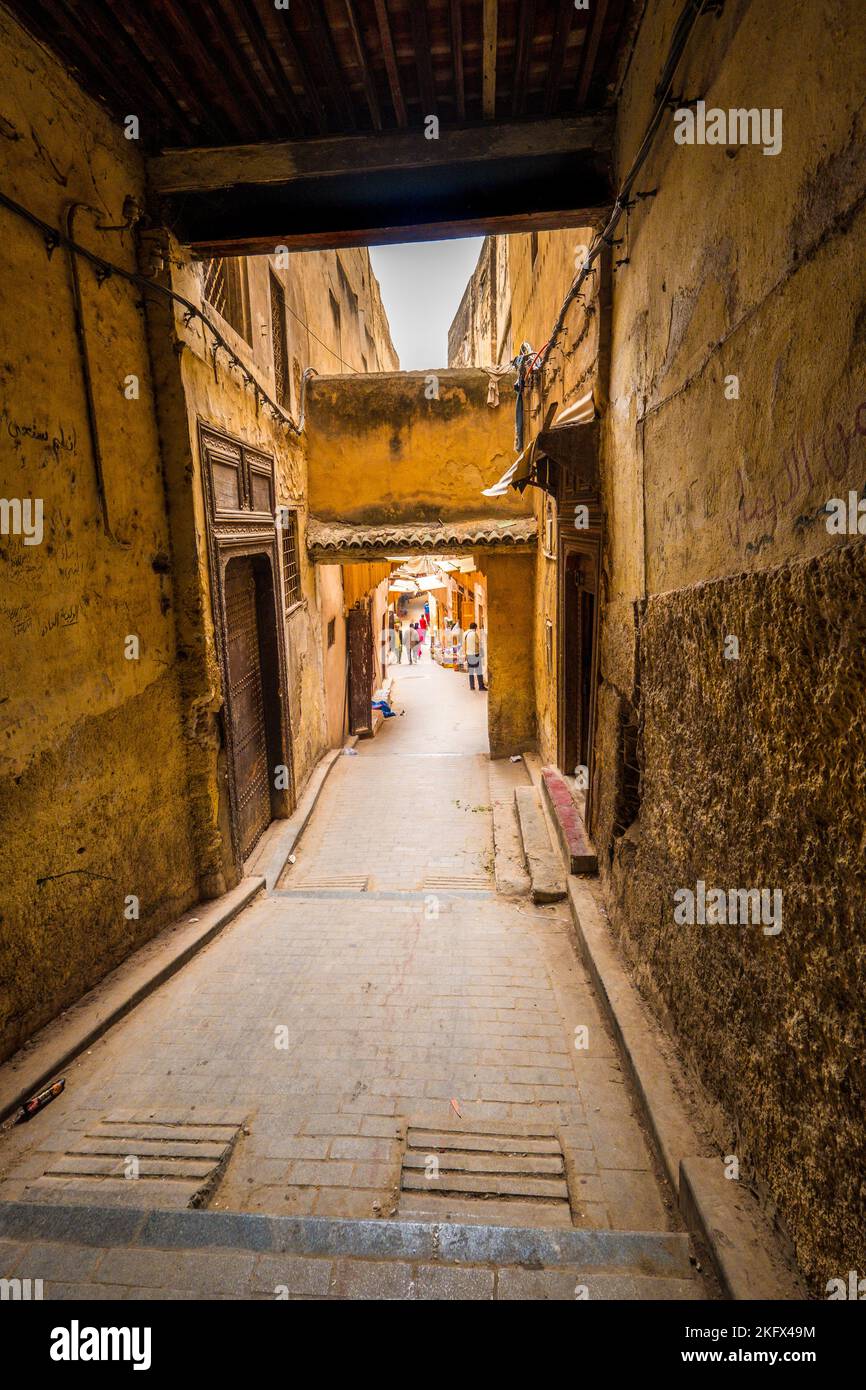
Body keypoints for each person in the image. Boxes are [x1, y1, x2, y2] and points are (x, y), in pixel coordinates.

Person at [464, 622, 486, 690]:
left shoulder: (466, 634)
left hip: (468, 654)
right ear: (475, 628)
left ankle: (472, 686)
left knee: (471, 672)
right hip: (475, 654)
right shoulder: (474, 634)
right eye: (476, 628)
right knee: (479, 671)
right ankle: (481, 687)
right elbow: (478, 643)